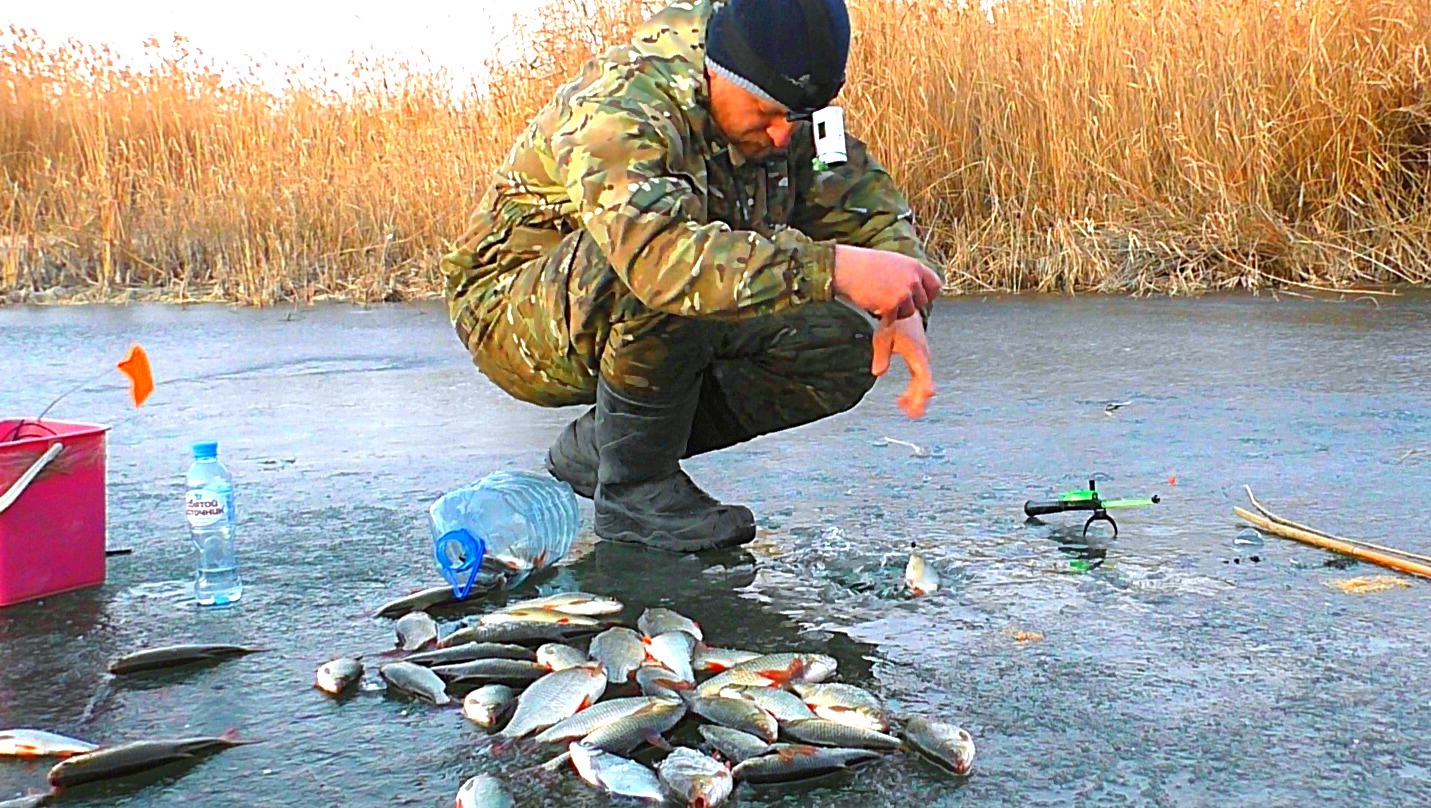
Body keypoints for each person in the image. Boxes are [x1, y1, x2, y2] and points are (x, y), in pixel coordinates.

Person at [441, 0, 943, 554]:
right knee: (666, 257)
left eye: (798, 119)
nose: (783, 136)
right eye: (767, 112)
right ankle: (637, 489)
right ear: (718, 74)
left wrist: (904, 304)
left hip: (664, 293)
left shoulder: (804, 118)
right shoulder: (620, 106)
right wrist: (833, 267)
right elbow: (654, 257)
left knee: (845, 344)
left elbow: (864, 206)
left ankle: (604, 452)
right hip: (516, 314)